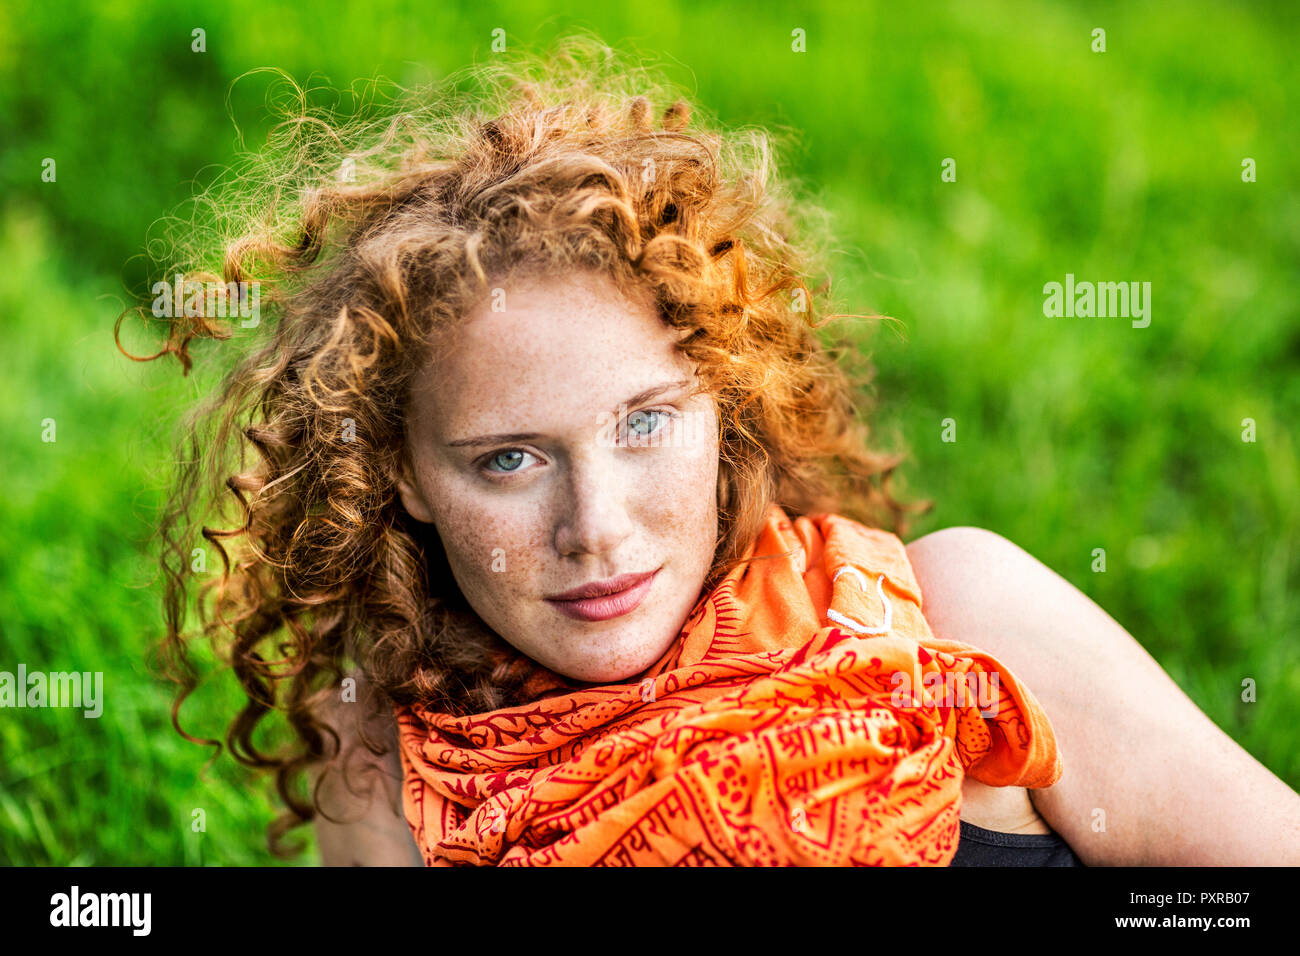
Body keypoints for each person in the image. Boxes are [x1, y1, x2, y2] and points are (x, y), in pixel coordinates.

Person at [123, 34, 1300, 867]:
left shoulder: (955, 613)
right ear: (405, 482)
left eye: (645, 423)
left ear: (724, 406)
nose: (600, 528)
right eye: (508, 460)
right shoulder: (386, 760)